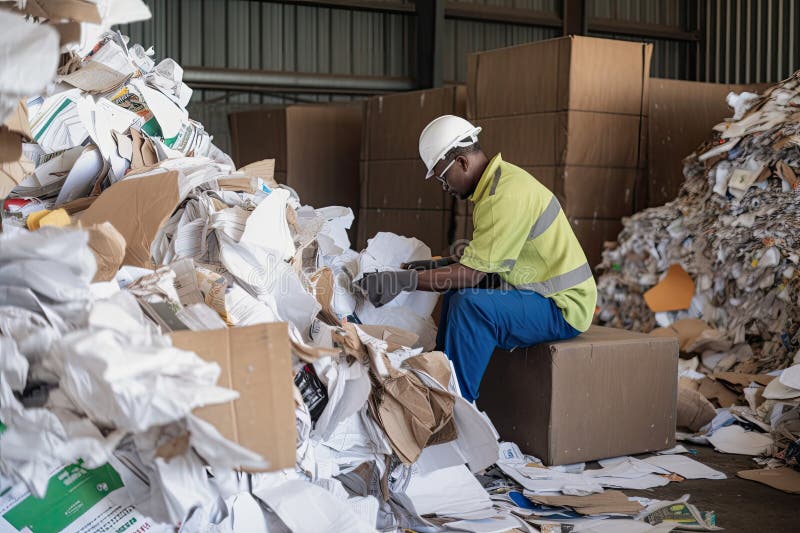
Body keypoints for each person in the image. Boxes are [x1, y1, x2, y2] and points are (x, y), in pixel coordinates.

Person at [358, 115, 597, 402]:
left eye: (444, 177)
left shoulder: (504, 197)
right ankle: (437, 377)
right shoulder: (499, 185)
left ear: (461, 162)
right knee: (458, 291)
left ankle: (455, 405)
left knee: (470, 307)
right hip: (536, 291)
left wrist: (402, 280)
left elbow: (472, 274)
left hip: (563, 306)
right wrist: (437, 267)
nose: (444, 187)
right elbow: (487, 262)